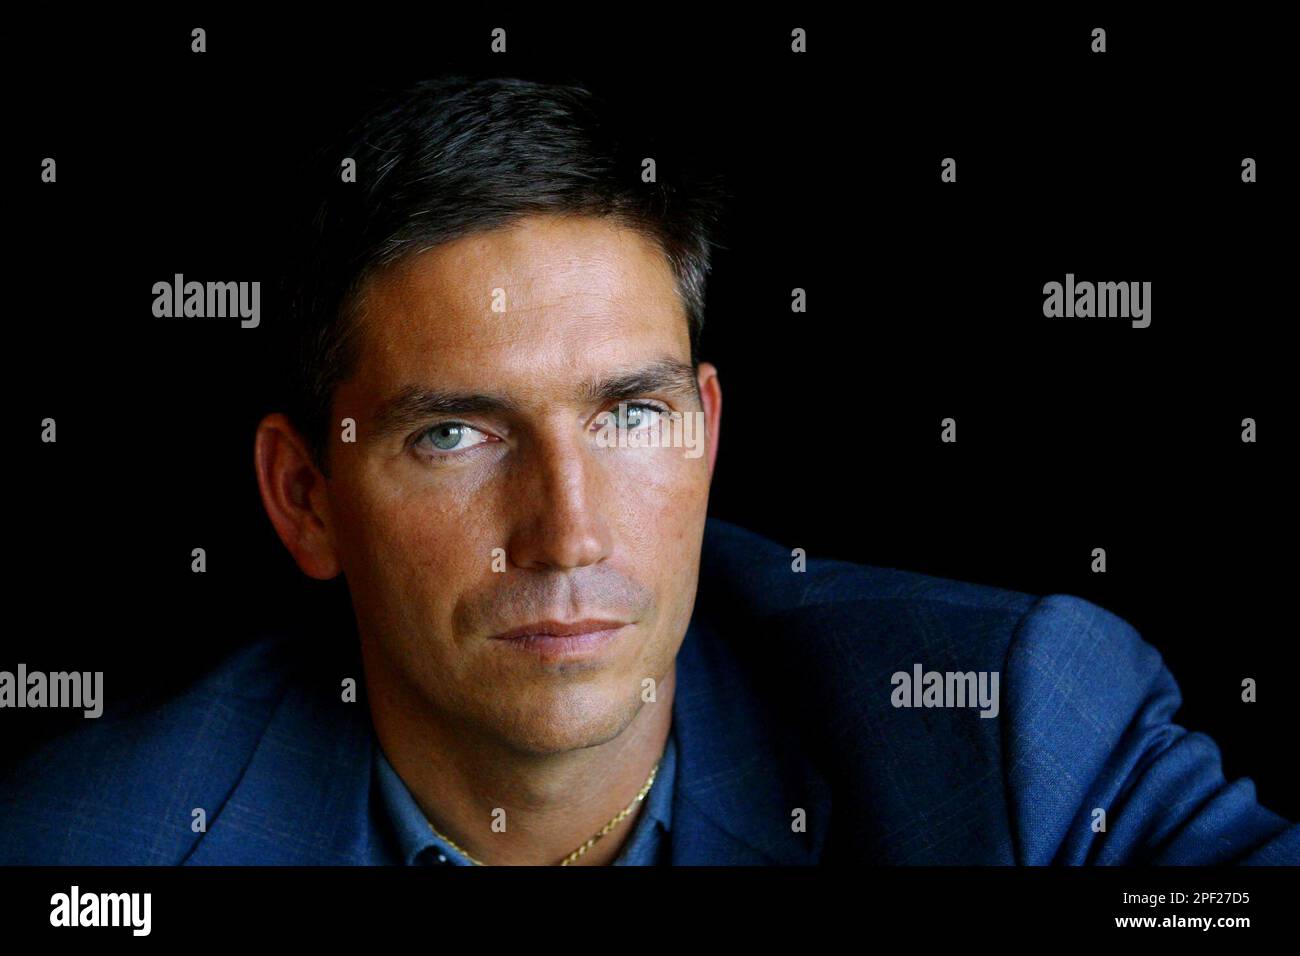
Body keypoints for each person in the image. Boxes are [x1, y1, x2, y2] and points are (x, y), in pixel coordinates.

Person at [1, 77, 1294, 865]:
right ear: (304, 499)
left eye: (628, 414)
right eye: (456, 433)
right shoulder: (87, 853)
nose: (566, 532)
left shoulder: (1013, 738)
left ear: (707, 431)